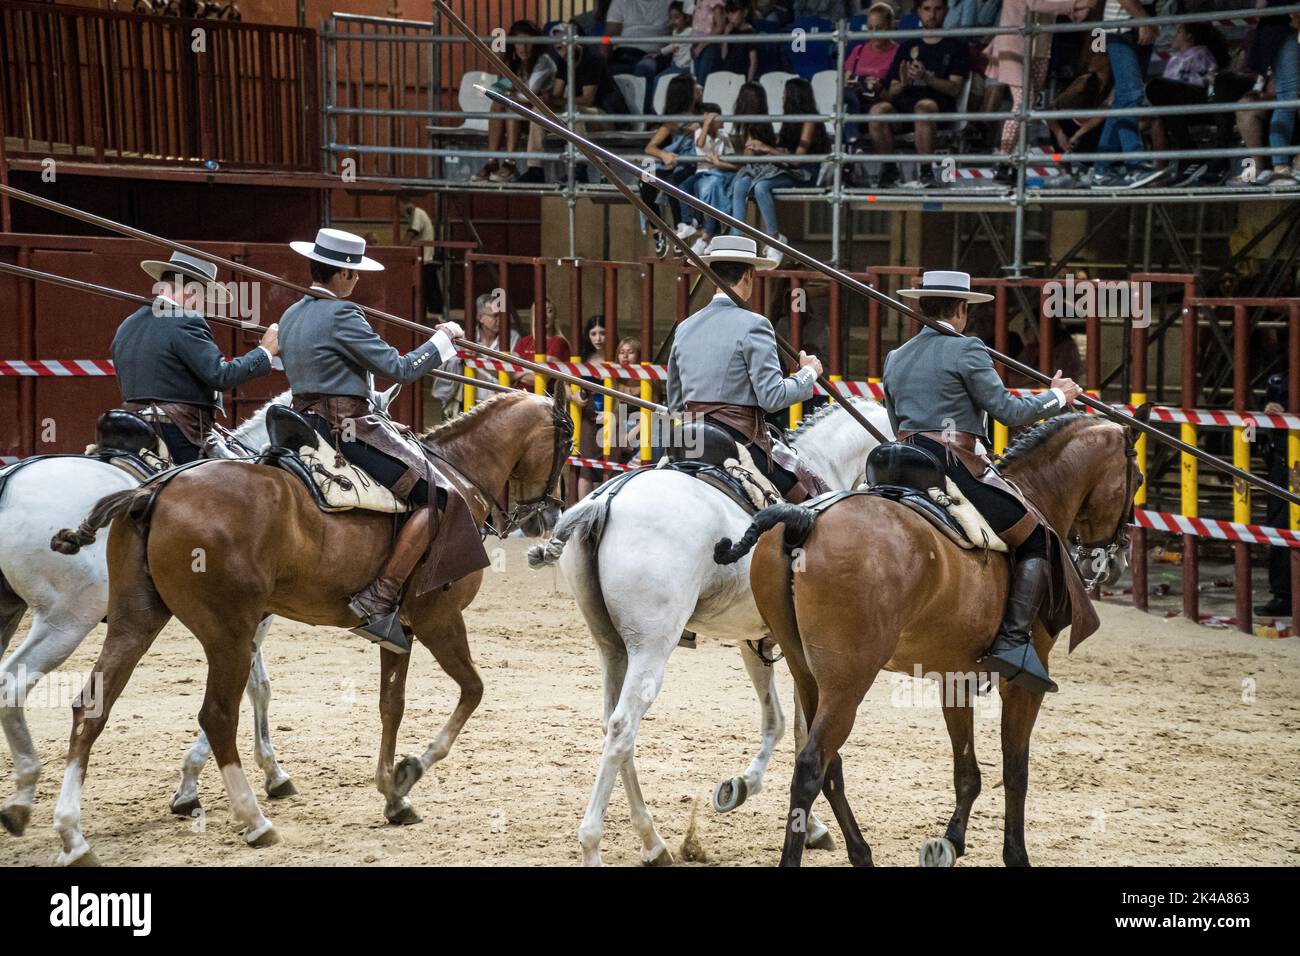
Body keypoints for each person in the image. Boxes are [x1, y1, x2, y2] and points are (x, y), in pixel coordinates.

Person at [882, 270, 1083, 693]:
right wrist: (1057, 398)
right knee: (1037, 538)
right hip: (950, 461)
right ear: (960, 310)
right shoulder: (967, 349)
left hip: (898, 460)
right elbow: (1008, 412)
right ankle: (1011, 642)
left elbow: (895, 418)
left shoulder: (896, 356)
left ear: (920, 308)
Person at [278, 228, 474, 654]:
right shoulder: (343, 315)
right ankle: (380, 596)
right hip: (347, 430)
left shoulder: (292, 315)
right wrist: (442, 341)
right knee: (441, 497)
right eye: (355, 274)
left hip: (304, 426)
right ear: (346, 276)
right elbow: (401, 368)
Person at [666, 235, 827, 501]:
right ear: (749, 276)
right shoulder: (755, 324)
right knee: (807, 502)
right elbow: (772, 397)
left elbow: (674, 403)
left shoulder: (685, 327)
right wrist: (808, 373)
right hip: (738, 441)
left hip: (689, 441)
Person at [112, 251, 278, 464]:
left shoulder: (128, 324)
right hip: (177, 430)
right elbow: (220, 375)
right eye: (203, 297)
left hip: (133, 426)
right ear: (191, 292)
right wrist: (264, 351)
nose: (202, 306)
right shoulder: (185, 320)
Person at [984, 0, 1090, 184]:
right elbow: (1035, 3)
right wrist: (1075, 4)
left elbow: (1056, 7)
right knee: (1023, 102)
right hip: (1014, 45)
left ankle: (1016, 163)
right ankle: (1003, 160)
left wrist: (1077, 10)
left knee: (1029, 106)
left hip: (1041, 47)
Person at [869, 0, 971, 188]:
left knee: (923, 107)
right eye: (926, 9)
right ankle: (889, 169)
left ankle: (926, 171)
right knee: (877, 111)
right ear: (918, 11)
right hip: (904, 106)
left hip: (938, 107)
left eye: (937, 9)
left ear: (946, 11)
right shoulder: (907, 46)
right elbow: (892, 90)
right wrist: (903, 83)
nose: (932, 15)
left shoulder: (956, 46)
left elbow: (955, 88)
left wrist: (928, 78)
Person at [729, 77, 828, 265]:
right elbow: (784, 152)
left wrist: (767, 149)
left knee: (761, 187)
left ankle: (774, 237)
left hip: (805, 173)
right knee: (741, 182)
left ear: (794, 97)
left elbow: (798, 160)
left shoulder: (809, 121)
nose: (782, 98)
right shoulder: (788, 120)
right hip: (784, 168)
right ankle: (736, 237)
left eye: (785, 94)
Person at [1085, 1, 1167, 189]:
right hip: (1125, 24)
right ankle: (1135, 164)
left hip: (1140, 22)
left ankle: (1101, 170)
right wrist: (1145, 21)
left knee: (1123, 99)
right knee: (1131, 95)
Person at [1144, 20, 1229, 186]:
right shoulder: (1174, 59)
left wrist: (1211, 95)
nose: (1174, 36)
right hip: (1175, 101)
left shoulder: (1200, 53)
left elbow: (1213, 81)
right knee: (1158, 111)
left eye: (1178, 32)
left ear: (1189, 36)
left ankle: (1189, 155)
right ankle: (1162, 170)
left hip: (1197, 98)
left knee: (1157, 87)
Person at [473, 20, 557, 183]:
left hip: (542, 119)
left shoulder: (544, 61)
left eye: (528, 43)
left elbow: (529, 95)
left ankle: (510, 163)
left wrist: (510, 87)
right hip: (520, 115)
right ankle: (492, 161)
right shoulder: (514, 63)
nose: (523, 48)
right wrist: (505, 71)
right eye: (519, 42)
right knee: (497, 105)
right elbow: (496, 90)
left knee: (512, 106)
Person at [640, 73, 699, 256]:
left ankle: (678, 228)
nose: (699, 88)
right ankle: (657, 229)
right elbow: (649, 148)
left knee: (673, 181)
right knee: (644, 178)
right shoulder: (671, 123)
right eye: (694, 87)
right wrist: (663, 154)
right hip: (668, 164)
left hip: (689, 165)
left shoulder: (699, 116)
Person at [1257, 371, 1293, 616]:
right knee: (1279, 527)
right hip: (1283, 465)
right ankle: (1283, 596)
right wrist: (1267, 414)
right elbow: (1250, 429)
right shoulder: (1279, 380)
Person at [680, 103, 737, 251]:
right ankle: (692, 223)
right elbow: (700, 144)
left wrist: (719, 162)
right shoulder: (700, 132)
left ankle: (707, 236)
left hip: (720, 171)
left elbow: (731, 157)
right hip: (703, 171)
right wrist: (705, 125)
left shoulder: (723, 136)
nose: (722, 120)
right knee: (685, 187)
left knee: (713, 187)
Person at [569, 315, 609, 498]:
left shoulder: (615, 357)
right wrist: (574, 396)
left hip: (613, 417)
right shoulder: (581, 359)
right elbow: (563, 382)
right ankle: (581, 508)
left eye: (602, 333)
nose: (598, 338)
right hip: (588, 416)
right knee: (585, 467)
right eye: (594, 333)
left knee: (610, 467)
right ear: (587, 335)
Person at [515, 297, 574, 390]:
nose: (544, 316)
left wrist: (518, 373)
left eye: (549, 311)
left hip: (545, 398)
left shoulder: (559, 343)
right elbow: (506, 372)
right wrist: (528, 372)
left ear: (554, 316)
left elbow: (539, 379)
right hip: (518, 394)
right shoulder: (524, 341)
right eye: (539, 311)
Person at [605, 0, 673, 77]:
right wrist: (603, 55)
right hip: (625, 53)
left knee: (646, 67)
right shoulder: (621, 1)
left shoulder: (670, 2)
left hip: (657, 56)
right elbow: (608, 36)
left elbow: (680, 31)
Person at [401, 194, 441, 316]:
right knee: (429, 289)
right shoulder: (417, 214)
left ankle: (427, 313)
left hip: (424, 259)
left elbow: (412, 232)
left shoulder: (417, 213)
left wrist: (399, 248)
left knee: (424, 290)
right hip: (425, 258)